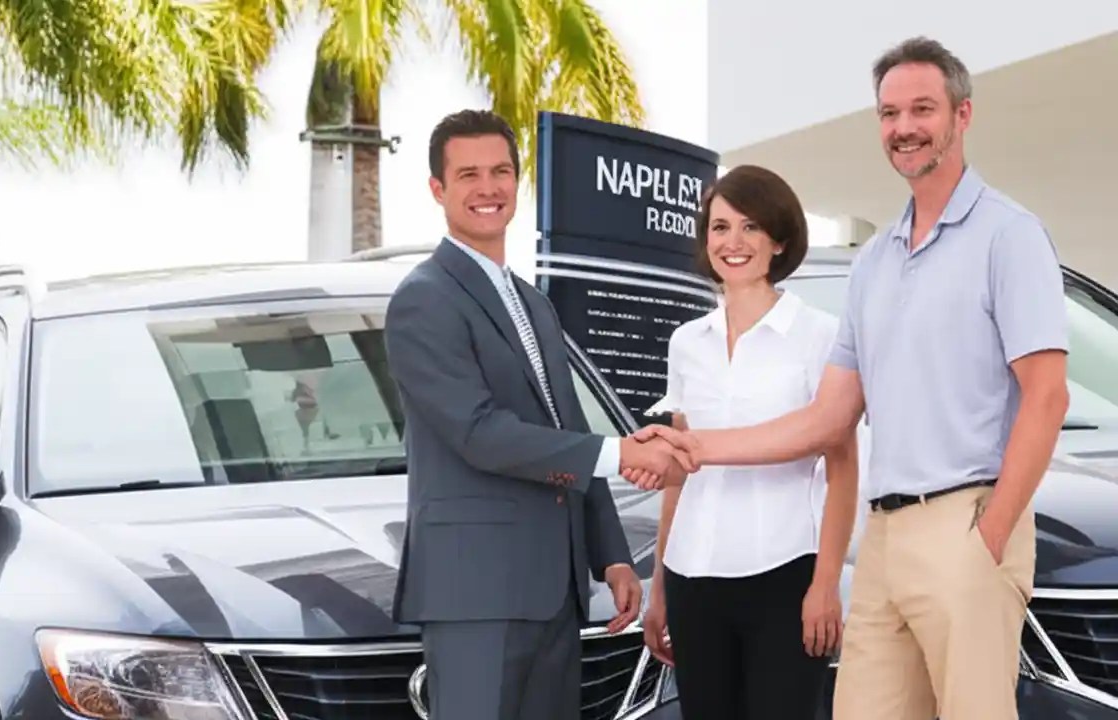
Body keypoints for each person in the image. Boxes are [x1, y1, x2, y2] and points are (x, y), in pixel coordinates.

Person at [631, 36, 1069, 720]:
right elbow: (827, 421)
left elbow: (1047, 395)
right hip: (883, 539)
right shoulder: (873, 264)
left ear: (963, 115)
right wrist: (695, 447)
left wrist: (994, 529)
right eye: (889, 113)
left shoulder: (1007, 236)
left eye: (922, 109)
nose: (904, 128)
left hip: (967, 521)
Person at [384, 109, 692, 720]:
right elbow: (479, 434)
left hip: (554, 591)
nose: (488, 188)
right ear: (438, 190)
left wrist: (608, 554)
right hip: (476, 592)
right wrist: (625, 454)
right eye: (468, 174)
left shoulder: (531, 302)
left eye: (501, 171)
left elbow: (567, 424)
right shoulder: (424, 299)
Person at [638, 165, 859, 720]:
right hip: (693, 578)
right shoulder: (687, 343)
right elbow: (680, 474)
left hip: (784, 579)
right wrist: (660, 588)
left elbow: (844, 471)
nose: (732, 243)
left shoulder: (819, 336)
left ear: (779, 240)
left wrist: (825, 585)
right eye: (719, 227)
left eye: (750, 227)